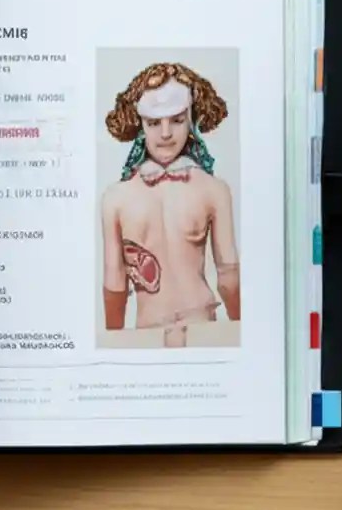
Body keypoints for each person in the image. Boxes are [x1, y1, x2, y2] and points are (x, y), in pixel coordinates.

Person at [100, 62, 240, 349]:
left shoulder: (214, 190)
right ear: (139, 123)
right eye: (154, 122)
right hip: (170, 333)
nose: (165, 133)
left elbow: (115, 288)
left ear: (192, 119)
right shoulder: (116, 198)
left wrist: (113, 344)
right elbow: (229, 278)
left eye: (176, 120)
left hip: (193, 331)